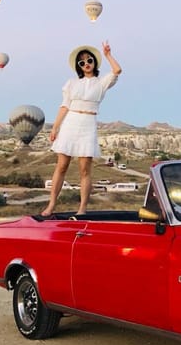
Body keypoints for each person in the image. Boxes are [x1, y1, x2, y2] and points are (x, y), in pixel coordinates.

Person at [41, 42, 122, 216]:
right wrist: (55, 128)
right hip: (70, 122)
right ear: (78, 66)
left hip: (88, 123)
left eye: (89, 60)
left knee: (85, 169)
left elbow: (117, 70)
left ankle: (82, 208)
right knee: (61, 166)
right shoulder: (71, 83)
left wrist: (107, 55)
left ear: (94, 62)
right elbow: (64, 106)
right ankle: (51, 205)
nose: (86, 64)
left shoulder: (101, 83)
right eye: (82, 62)